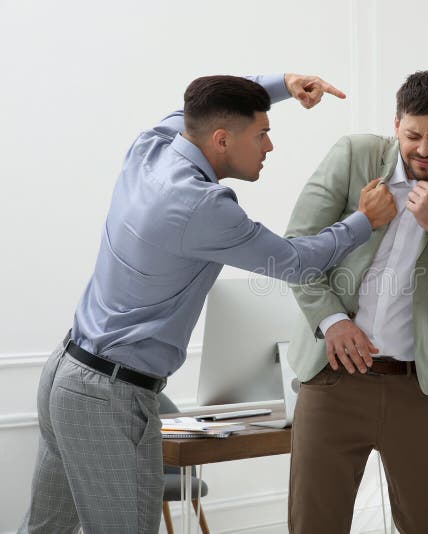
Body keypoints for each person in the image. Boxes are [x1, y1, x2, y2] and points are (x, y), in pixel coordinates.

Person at [19, 73, 397, 534]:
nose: (270, 147)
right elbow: (296, 262)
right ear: (221, 140)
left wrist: (280, 85)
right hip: (108, 398)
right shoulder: (201, 206)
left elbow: (203, 102)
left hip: (67, 372)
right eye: (262, 134)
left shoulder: (153, 144)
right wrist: (364, 221)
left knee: (44, 529)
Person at [285, 70, 428, 534]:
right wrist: (332, 320)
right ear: (395, 123)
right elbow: (294, 250)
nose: (424, 149)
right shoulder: (354, 155)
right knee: (314, 525)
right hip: (332, 380)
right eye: (413, 135)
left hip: (415, 387)